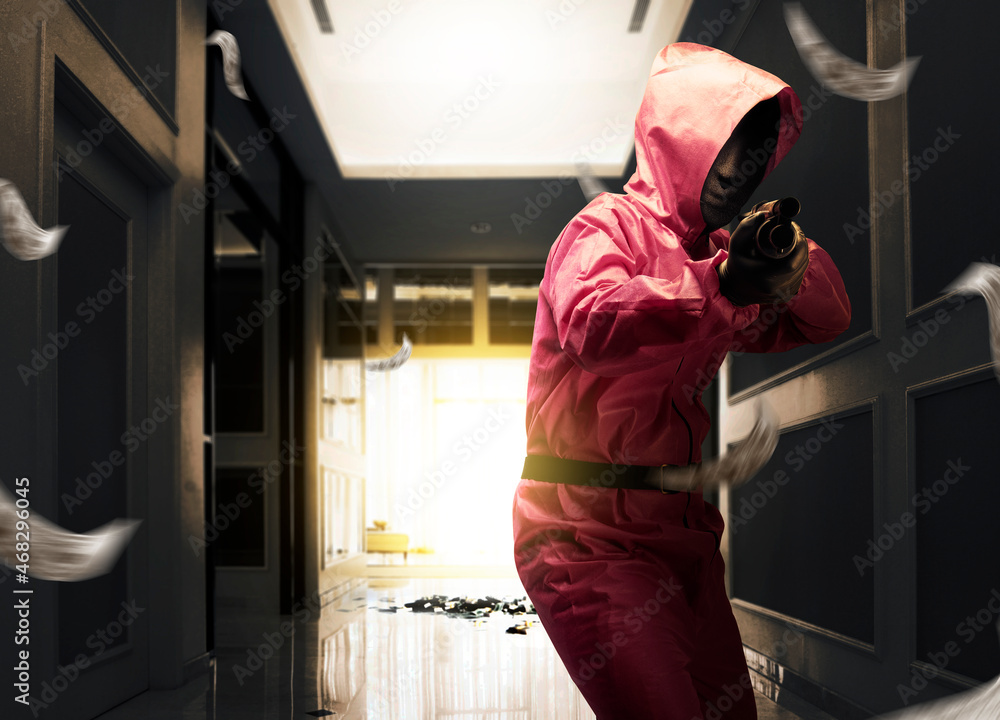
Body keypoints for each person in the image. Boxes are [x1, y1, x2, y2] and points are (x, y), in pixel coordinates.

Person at [512, 43, 851, 719]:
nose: (740, 170)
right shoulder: (603, 227)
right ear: (681, 135)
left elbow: (827, 316)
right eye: (728, 144)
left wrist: (781, 258)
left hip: (685, 539)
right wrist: (719, 283)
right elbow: (593, 322)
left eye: (757, 156)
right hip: (584, 539)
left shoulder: (719, 257)